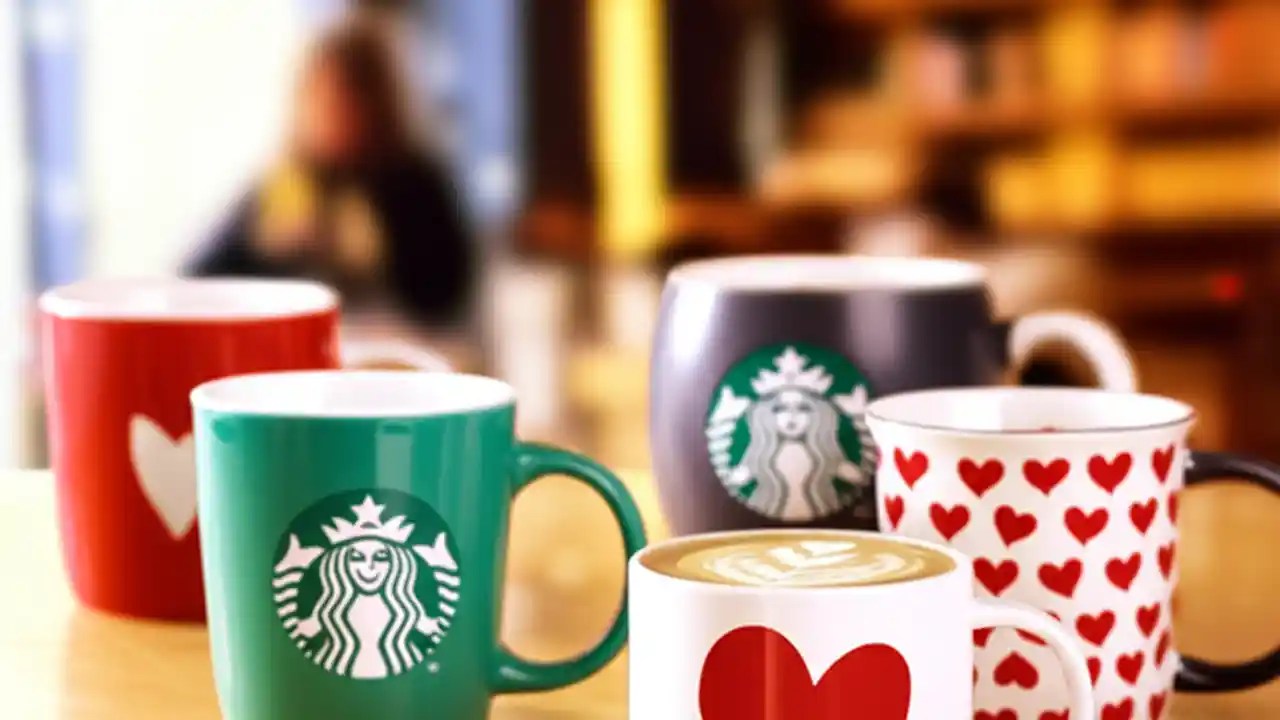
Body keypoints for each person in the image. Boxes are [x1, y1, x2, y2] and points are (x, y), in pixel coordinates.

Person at [188, 15, 474, 328]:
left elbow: (449, 296)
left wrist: (382, 244)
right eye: (323, 100)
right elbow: (199, 281)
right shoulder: (280, 186)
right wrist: (267, 249)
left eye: (347, 101)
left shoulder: (415, 186)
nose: (334, 115)